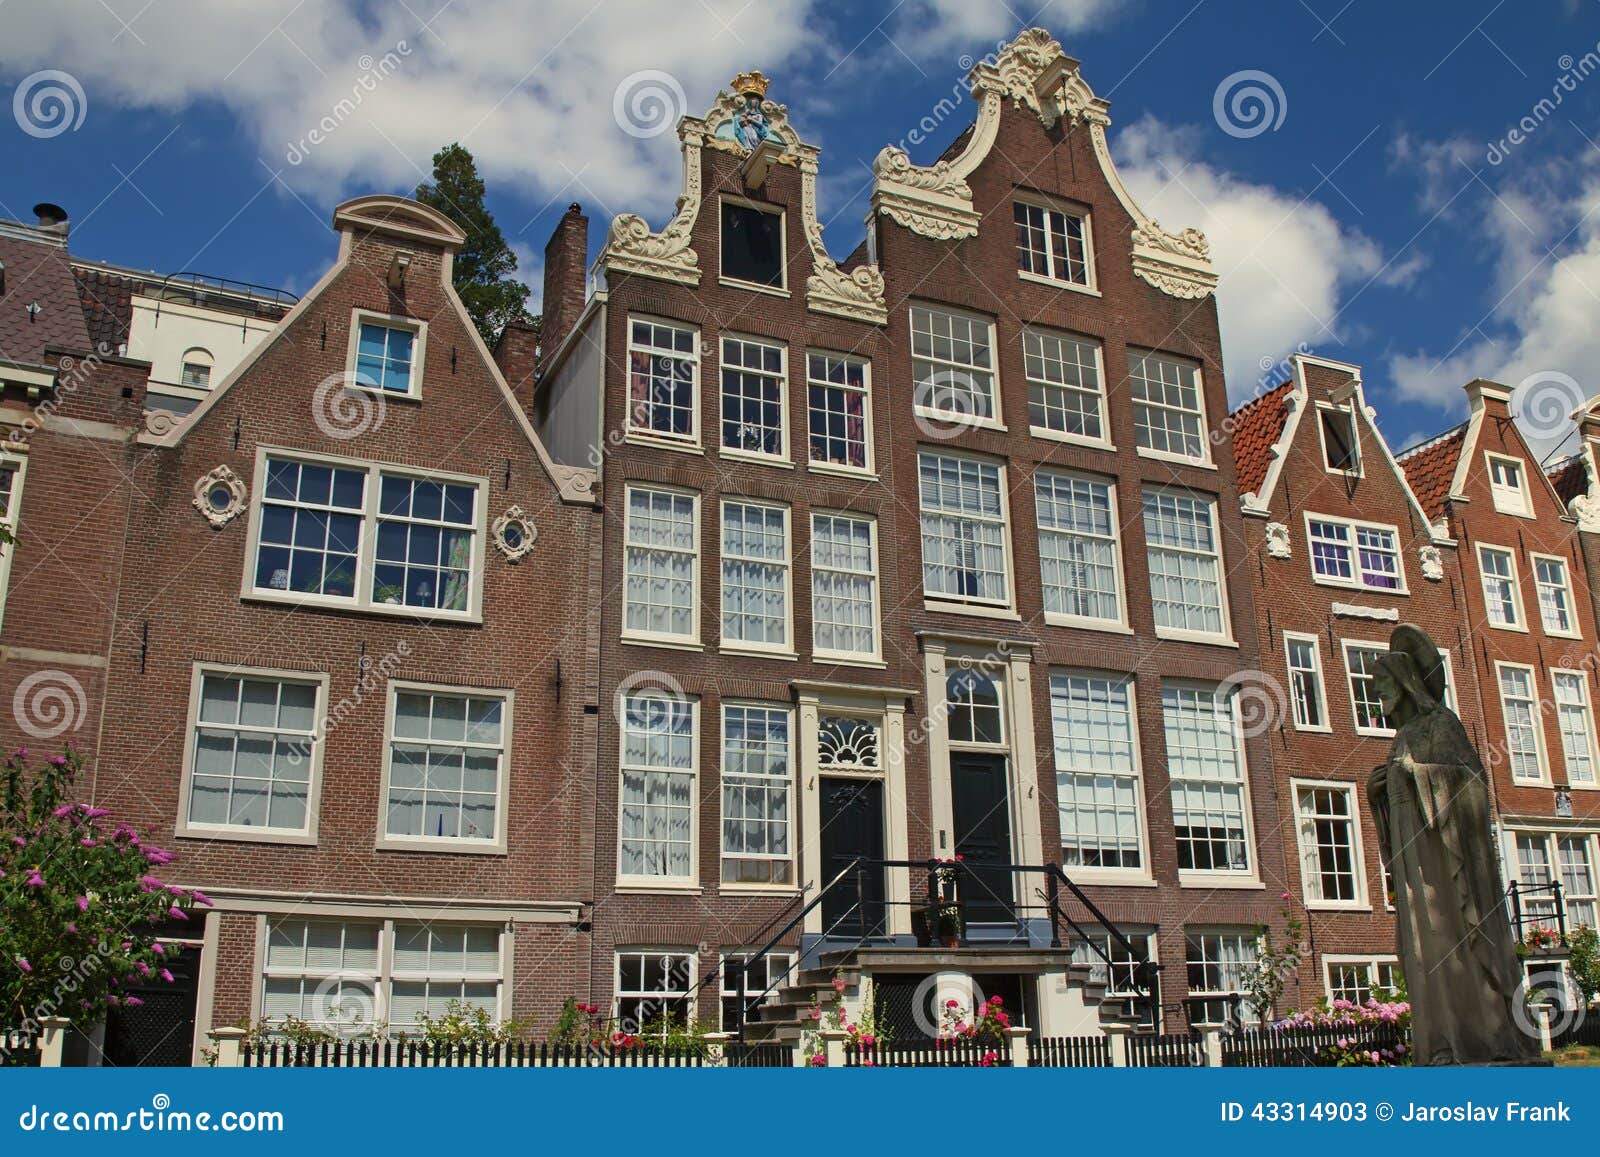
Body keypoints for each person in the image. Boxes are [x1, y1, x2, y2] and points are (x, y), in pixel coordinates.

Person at [1367, 624, 1540, 1065]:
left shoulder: (1442, 724)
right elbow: (1399, 788)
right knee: (1425, 949)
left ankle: (1479, 1039)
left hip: (1445, 867)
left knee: (1453, 945)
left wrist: (1419, 774)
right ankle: (1442, 1041)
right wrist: (1379, 793)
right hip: (1414, 865)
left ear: (1404, 686)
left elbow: (1473, 787)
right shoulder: (1403, 737)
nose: (1378, 697)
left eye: (1382, 686)